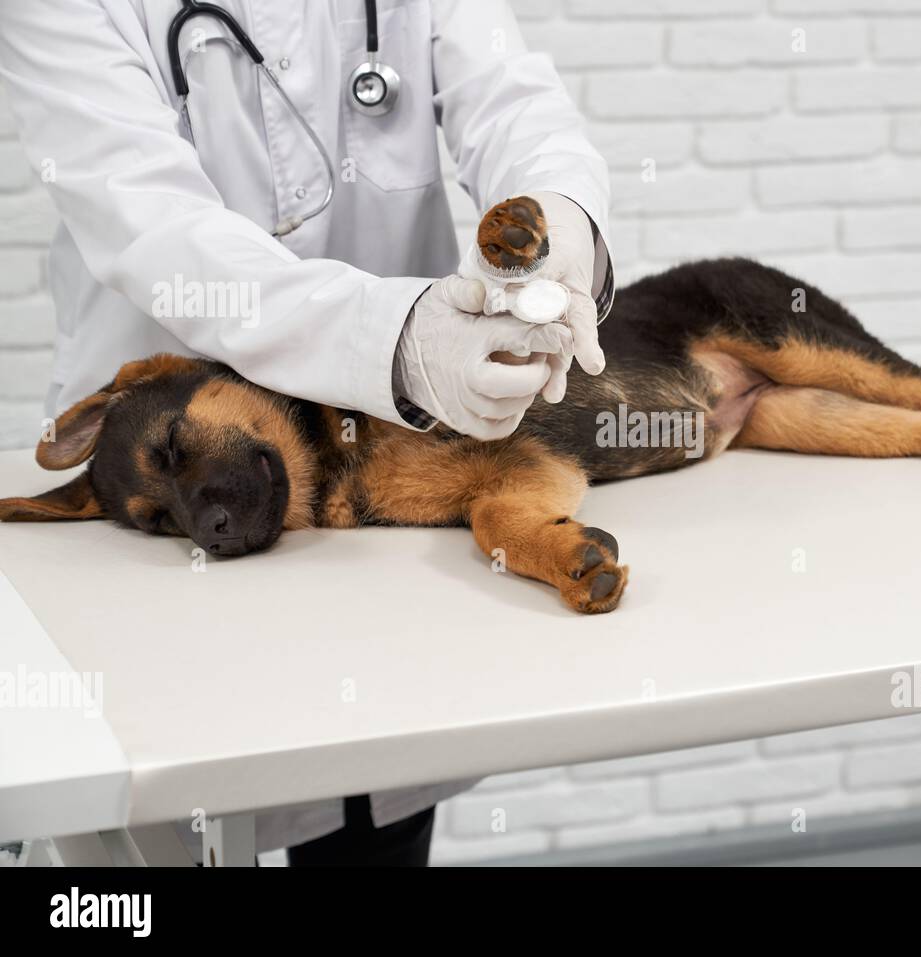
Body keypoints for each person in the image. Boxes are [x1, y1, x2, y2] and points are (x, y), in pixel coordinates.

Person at [0, 0, 615, 865]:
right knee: (165, 813)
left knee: (378, 795)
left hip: (393, 469)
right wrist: (393, 340)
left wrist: (562, 227)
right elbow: (159, 228)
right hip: (164, 515)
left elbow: (513, 99)